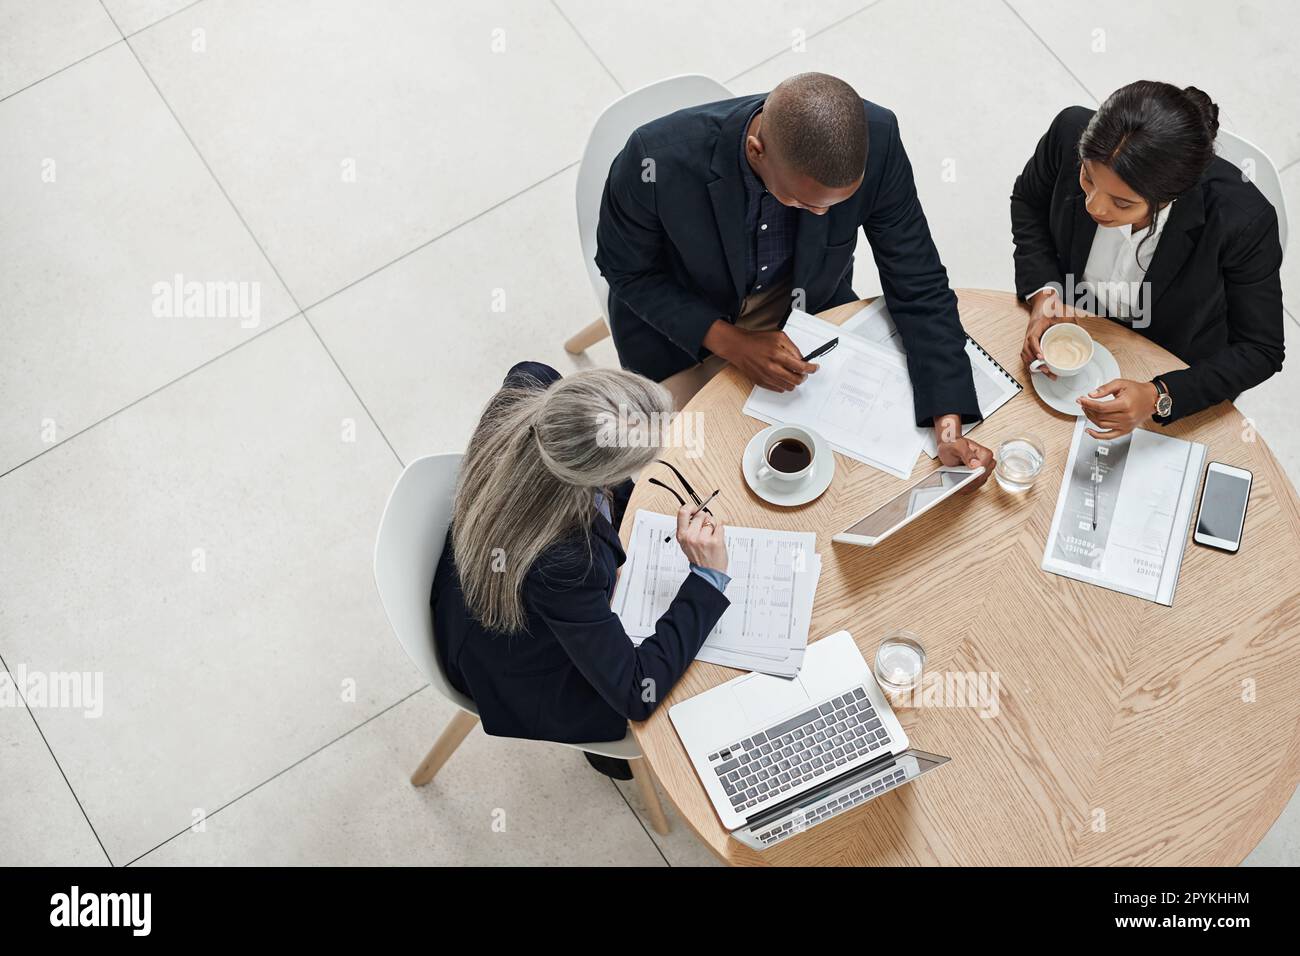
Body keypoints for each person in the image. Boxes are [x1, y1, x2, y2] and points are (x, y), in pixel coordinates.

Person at [596, 71, 993, 481]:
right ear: (756, 151)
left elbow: (918, 279)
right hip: (682, 327)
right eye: (803, 202)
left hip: (808, 307)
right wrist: (733, 344)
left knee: (847, 473)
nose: (823, 214)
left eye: (837, 204)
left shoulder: (880, 139)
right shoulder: (655, 160)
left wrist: (946, 417)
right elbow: (626, 272)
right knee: (703, 471)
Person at [430, 361, 730, 779]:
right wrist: (707, 578)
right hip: (513, 668)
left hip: (482, 579)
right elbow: (634, 693)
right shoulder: (568, 563)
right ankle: (607, 756)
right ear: (595, 476)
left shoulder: (532, 387)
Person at [1010, 81, 1285, 439]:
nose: (1094, 205)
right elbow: (1028, 202)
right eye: (1087, 178)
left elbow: (1260, 349)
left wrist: (1160, 396)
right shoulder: (1067, 132)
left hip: (1171, 353)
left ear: (1173, 195)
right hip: (1080, 320)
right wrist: (1046, 292)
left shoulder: (1243, 221)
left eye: (1122, 203)